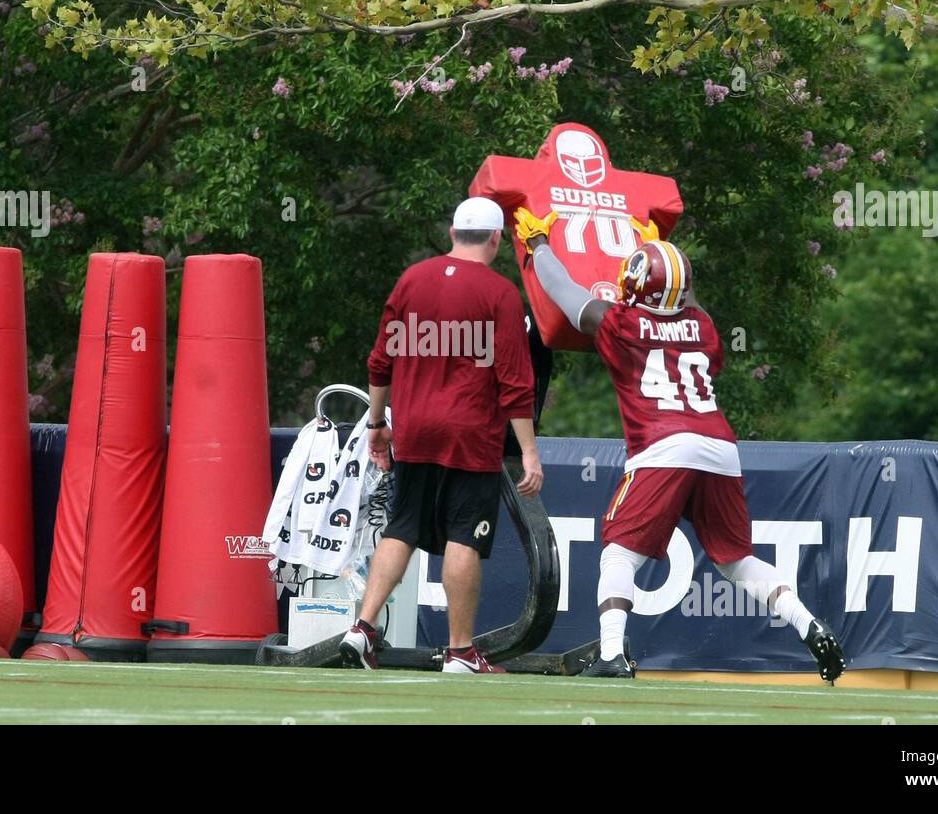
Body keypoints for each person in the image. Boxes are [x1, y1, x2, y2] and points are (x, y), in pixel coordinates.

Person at [513, 207, 845, 681]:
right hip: (720, 446)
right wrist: (668, 260)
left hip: (663, 444)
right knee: (736, 560)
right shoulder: (705, 328)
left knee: (618, 553)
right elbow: (690, 306)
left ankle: (611, 654)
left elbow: (563, 291)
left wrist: (539, 243)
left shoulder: (620, 324)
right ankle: (808, 625)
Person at [339, 197, 544, 674]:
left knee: (402, 527)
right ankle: (459, 651)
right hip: (470, 434)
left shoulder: (413, 279)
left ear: (453, 232)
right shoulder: (501, 294)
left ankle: (363, 627)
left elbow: (380, 361)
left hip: (414, 428)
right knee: (464, 536)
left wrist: (376, 424)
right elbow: (516, 382)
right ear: (496, 239)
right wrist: (530, 453)